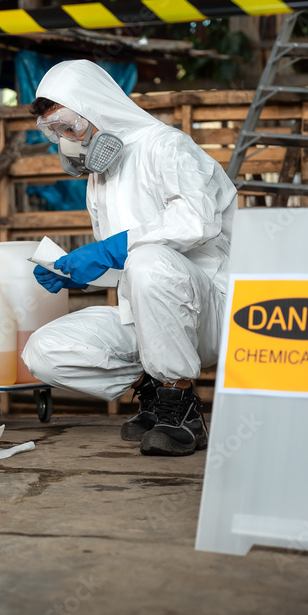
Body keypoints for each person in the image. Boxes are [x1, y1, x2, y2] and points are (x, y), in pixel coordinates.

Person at [21, 60, 236, 457]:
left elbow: (198, 220)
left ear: (97, 105)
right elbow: (128, 269)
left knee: (149, 260)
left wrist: (109, 250)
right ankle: (157, 384)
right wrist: (81, 274)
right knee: (45, 351)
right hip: (149, 316)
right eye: (54, 132)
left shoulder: (167, 146)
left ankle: (181, 407)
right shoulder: (98, 178)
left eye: (70, 125)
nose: (68, 140)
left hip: (213, 313)